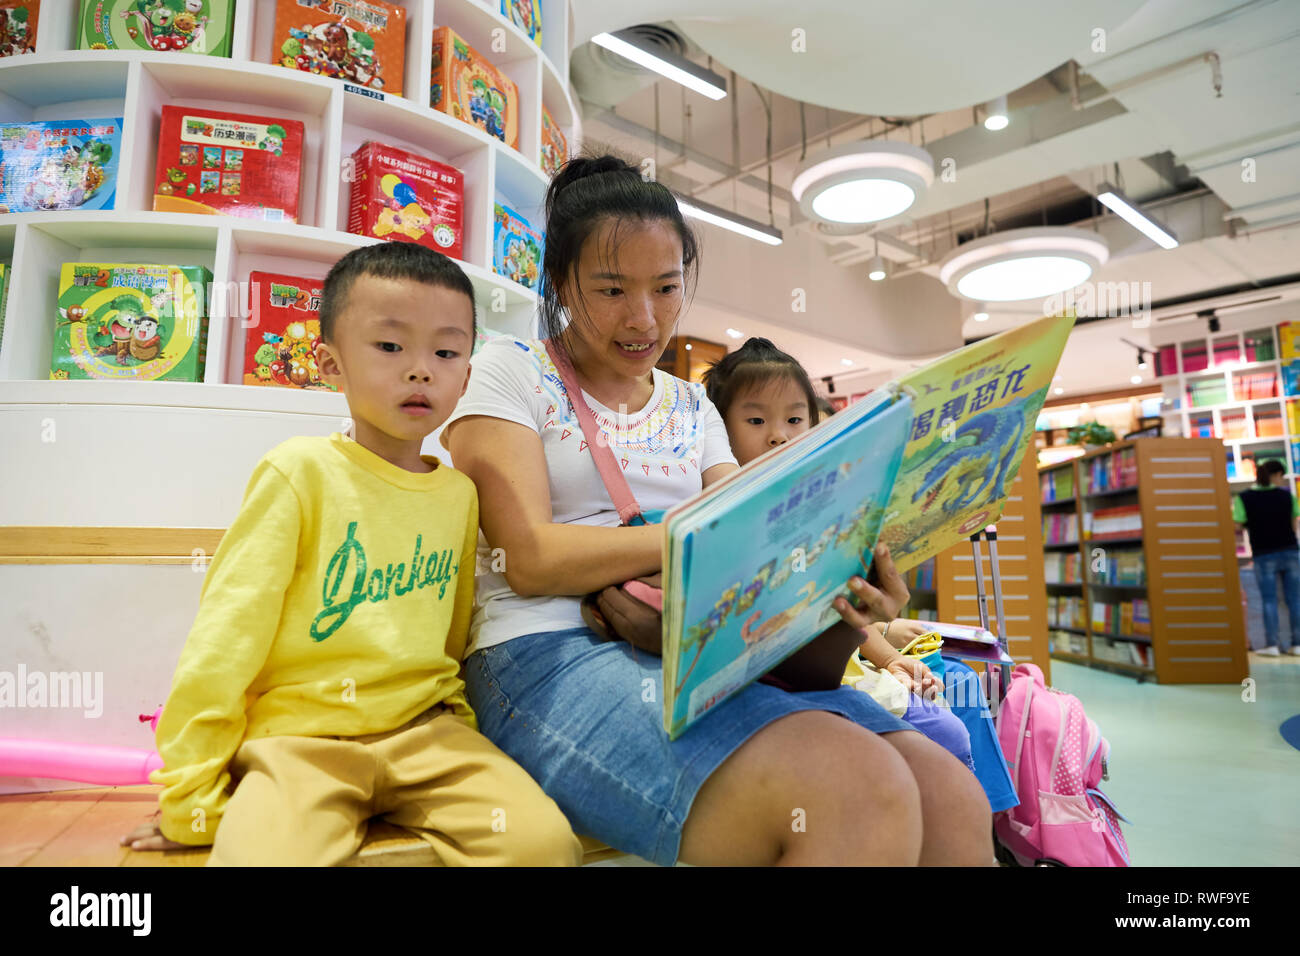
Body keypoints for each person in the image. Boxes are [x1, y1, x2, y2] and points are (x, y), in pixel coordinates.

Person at [442, 153, 992, 866]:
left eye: (666, 288)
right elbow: (533, 558)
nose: (644, 318)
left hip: (689, 653)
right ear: (560, 282)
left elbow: (749, 562)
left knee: (953, 795)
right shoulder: (509, 371)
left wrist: (845, 600)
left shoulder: (692, 403)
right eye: (611, 289)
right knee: (855, 787)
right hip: (540, 656)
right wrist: (689, 536)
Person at [122, 243, 583, 866]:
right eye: (390, 347)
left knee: (543, 845)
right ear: (330, 364)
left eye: (446, 352)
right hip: (300, 743)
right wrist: (191, 795)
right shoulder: (298, 472)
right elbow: (223, 642)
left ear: (466, 377)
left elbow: (451, 635)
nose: (421, 370)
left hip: (430, 735)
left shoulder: (457, 493)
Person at [704, 337, 1018, 814]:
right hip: (786, 683)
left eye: (794, 420)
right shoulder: (723, 518)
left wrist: (891, 656)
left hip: (841, 666)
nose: (778, 436)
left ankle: (979, 828)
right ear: (717, 431)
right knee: (945, 730)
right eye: (755, 421)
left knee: (952, 709)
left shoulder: (821, 513)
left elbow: (847, 605)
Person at [1234, 458, 1300, 656]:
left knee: (1269, 600)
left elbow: (1237, 525)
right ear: (1278, 475)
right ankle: (1297, 644)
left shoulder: (1244, 497)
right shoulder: (1286, 496)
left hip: (1263, 553)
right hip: (1289, 550)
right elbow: (1294, 524)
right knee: (1294, 600)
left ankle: (1272, 644)